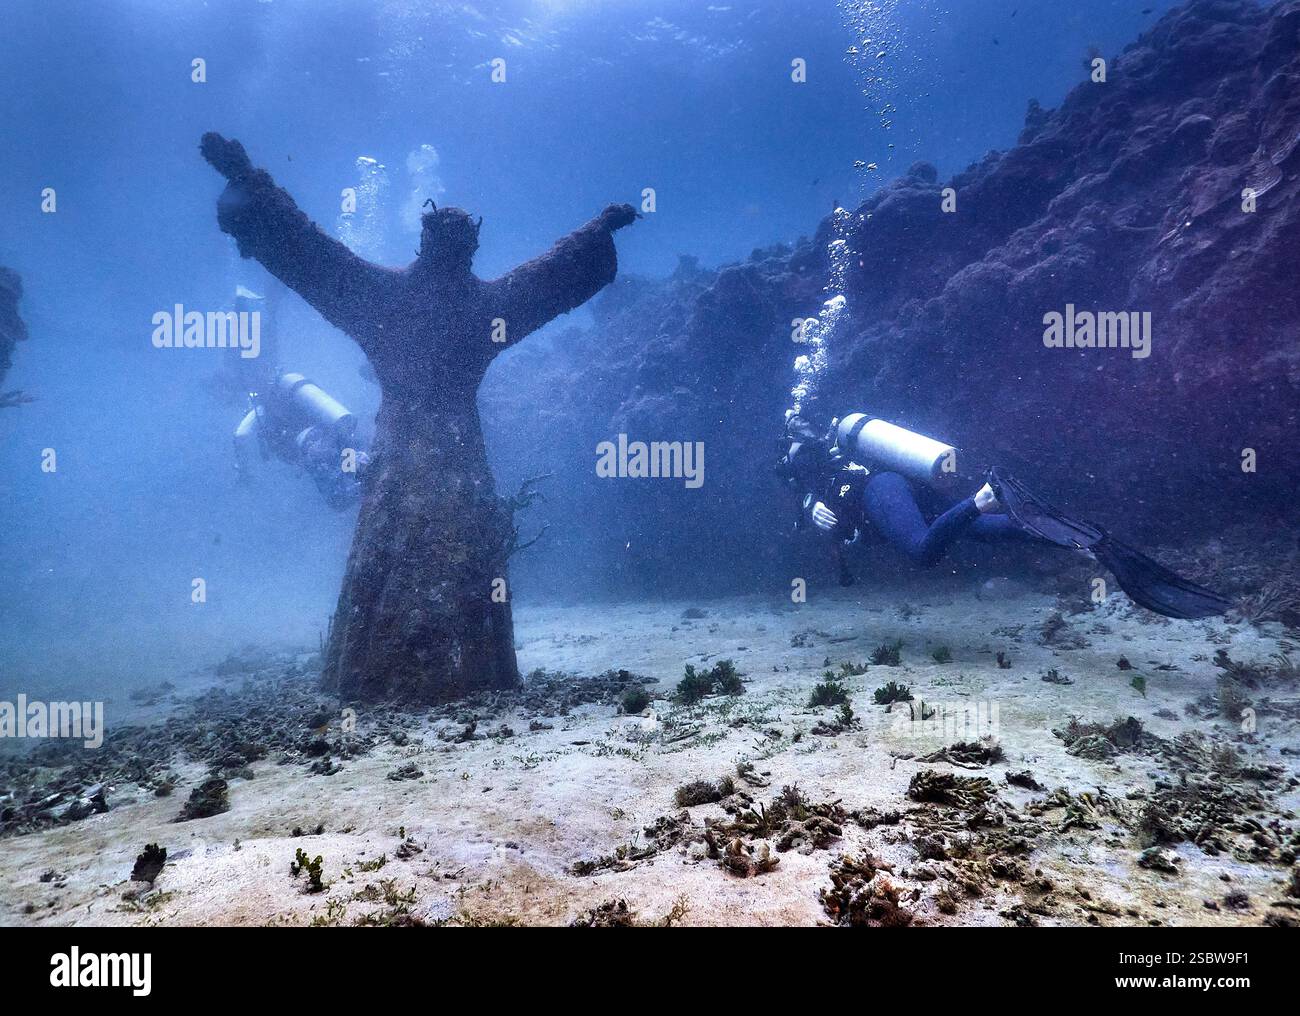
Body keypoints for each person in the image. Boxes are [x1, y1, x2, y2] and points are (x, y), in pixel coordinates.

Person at [776, 412, 1231, 619]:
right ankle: (1087, 539)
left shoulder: (801, 465)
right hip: (901, 487)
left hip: (881, 490)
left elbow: (815, 493)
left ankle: (984, 497)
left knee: (922, 551)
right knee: (989, 534)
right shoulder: (820, 459)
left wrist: (807, 504)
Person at [233, 369, 370, 510]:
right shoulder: (288, 391)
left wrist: (243, 471)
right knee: (343, 473)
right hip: (335, 433)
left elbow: (241, 434)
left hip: (313, 445)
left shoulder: (261, 408)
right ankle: (359, 466)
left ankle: (358, 473)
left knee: (337, 498)